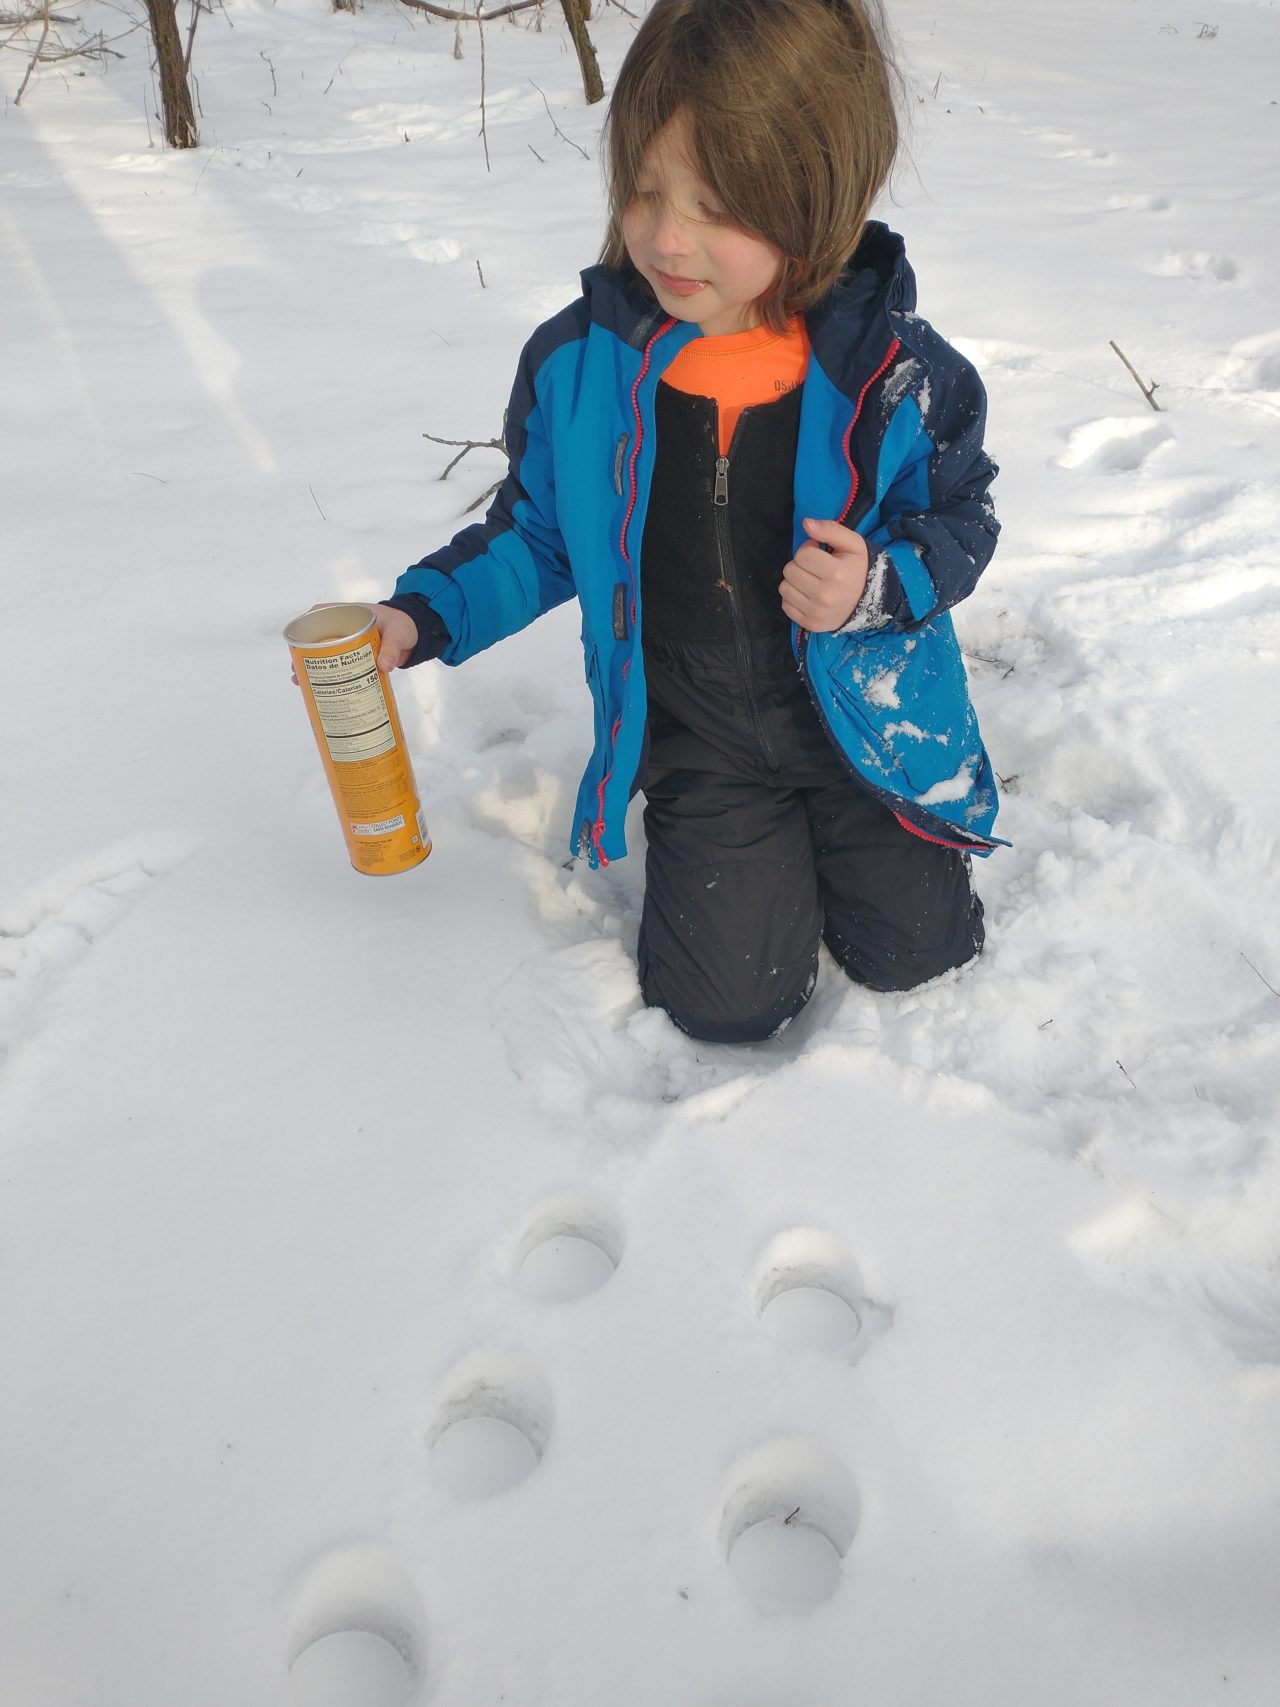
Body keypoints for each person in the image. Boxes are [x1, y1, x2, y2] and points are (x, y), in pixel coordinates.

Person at [373, 0, 1002, 1044]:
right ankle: (758, 863)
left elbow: (963, 517)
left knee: (916, 956)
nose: (667, 239)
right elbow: (539, 534)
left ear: (814, 199)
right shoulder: (582, 367)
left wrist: (877, 584)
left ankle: (853, 852)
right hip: (701, 738)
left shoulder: (896, 374)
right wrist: (423, 614)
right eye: (644, 190)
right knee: (725, 1005)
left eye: (716, 208)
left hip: (864, 723)